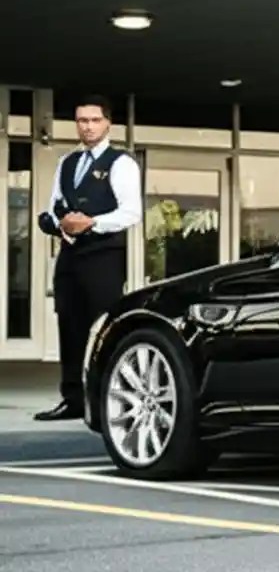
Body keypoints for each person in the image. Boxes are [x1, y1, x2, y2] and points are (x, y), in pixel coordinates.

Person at [33, 94, 142, 422]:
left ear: (108, 123)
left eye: (95, 120)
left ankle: (110, 401)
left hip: (103, 259)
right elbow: (55, 206)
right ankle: (73, 399)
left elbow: (131, 212)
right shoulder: (67, 162)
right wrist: (59, 224)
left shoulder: (121, 163)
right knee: (69, 327)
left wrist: (92, 223)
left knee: (103, 330)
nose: (89, 126)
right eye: (83, 120)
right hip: (69, 258)